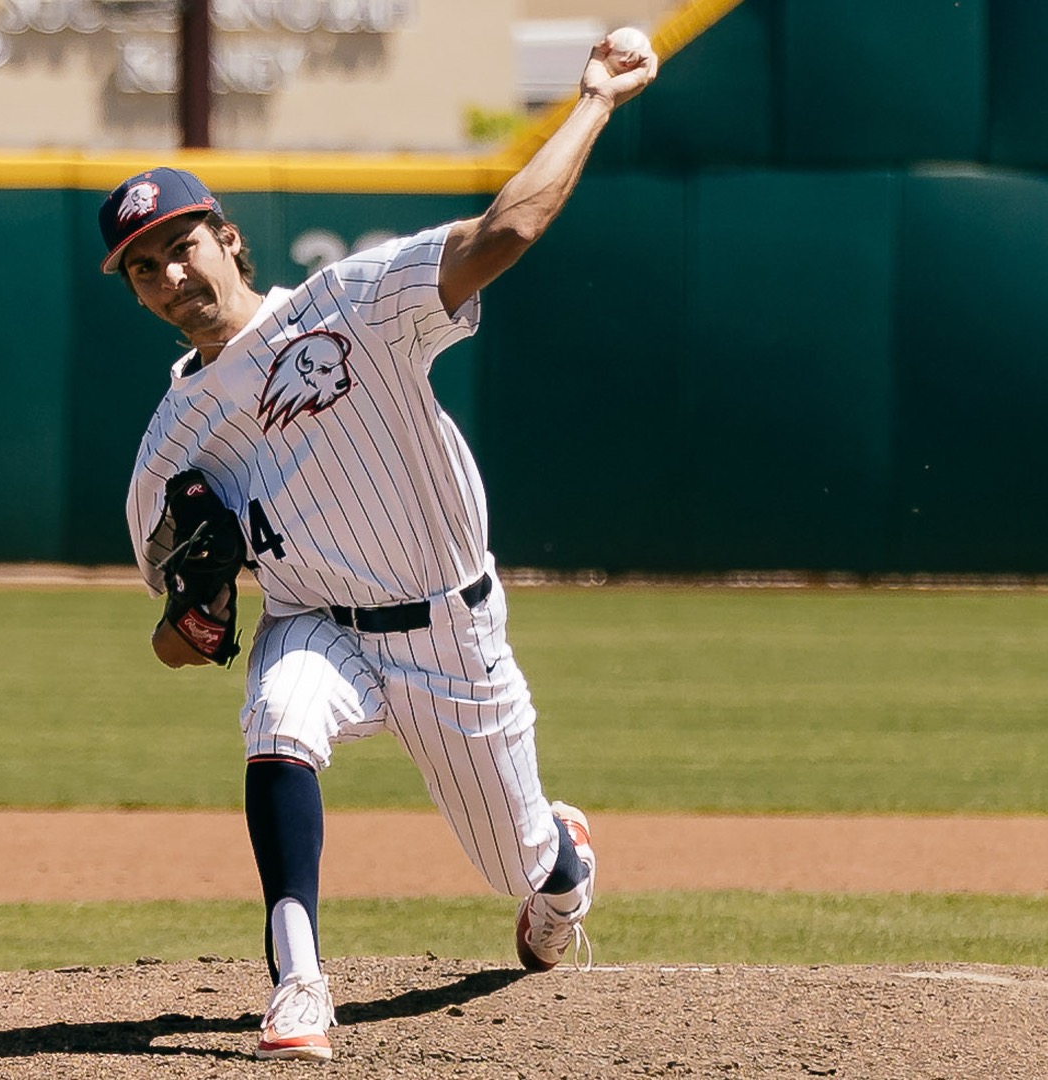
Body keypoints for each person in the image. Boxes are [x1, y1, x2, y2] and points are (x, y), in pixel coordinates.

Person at [103, 32, 658, 1064]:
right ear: (136, 292)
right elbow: (175, 644)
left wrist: (593, 101)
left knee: (518, 862)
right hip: (316, 625)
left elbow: (508, 227)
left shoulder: (353, 305)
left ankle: (562, 868)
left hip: (451, 631)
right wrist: (196, 617)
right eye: (144, 267)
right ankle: (298, 984)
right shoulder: (170, 446)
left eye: (182, 244)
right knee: (276, 719)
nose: (170, 273)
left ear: (228, 239)